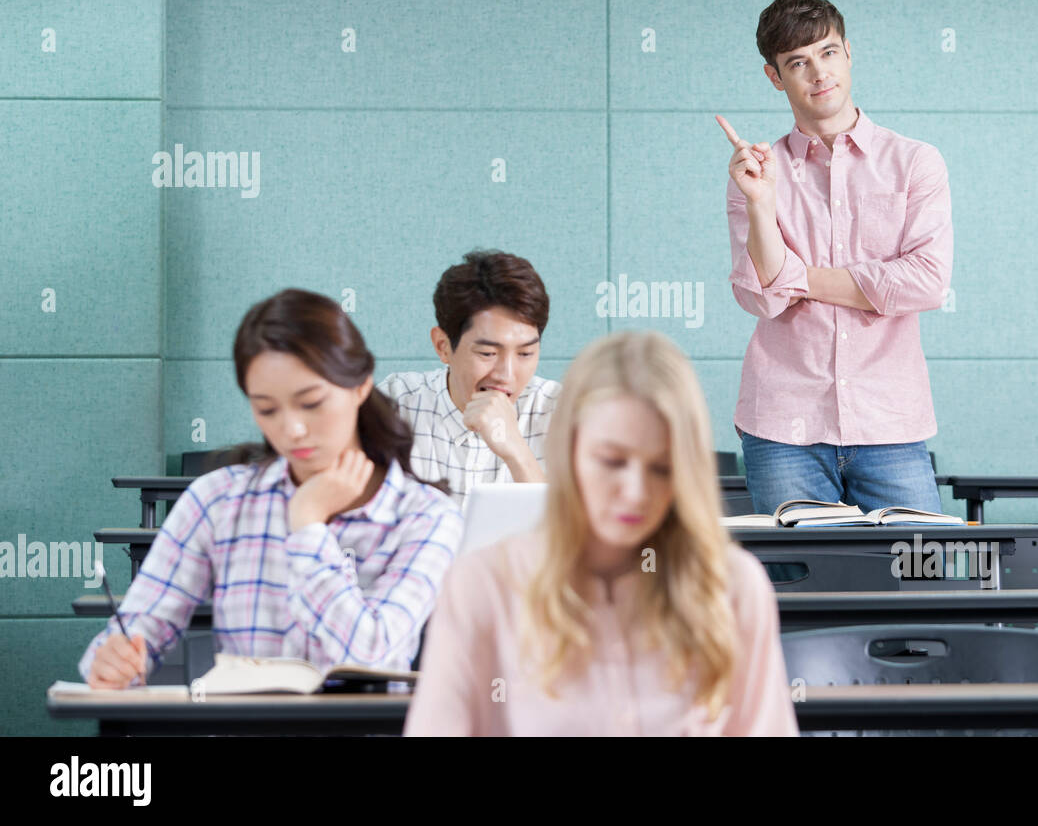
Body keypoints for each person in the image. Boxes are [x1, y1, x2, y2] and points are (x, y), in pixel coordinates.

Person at [403, 331, 798, 736]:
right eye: (611, 461)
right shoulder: (484, 585)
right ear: (569, 448)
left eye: (661, 468)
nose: (634, 492)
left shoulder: (732, 586)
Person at [80, 289, 464, 688]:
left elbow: (370, 658)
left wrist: (308, 527)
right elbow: (137, 628)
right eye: (266, 409)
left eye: (311, 402)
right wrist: (113, 658)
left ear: (360, 387)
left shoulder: (427, 516)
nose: (292, 429)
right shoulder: (218, 501)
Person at [718, 0, 954, 515]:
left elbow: (927, 282)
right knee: (802, 591)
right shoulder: (757, 171)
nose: (818, 73)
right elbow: (763, 299)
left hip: (889, 421)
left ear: (848, 52)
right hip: (783, 427)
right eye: (797, 62)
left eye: (826, 53)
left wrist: (802, 278)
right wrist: (761, 204)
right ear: (775, 77)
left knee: (925, 582)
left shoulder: (915, 162)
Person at [377, 250, 561, 504]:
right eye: (487, 353)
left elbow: (572, 540)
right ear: (443, 346)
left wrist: (516, 451)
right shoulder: (395, 404)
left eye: (525, 353)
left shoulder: (560, 412)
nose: (506, 375)